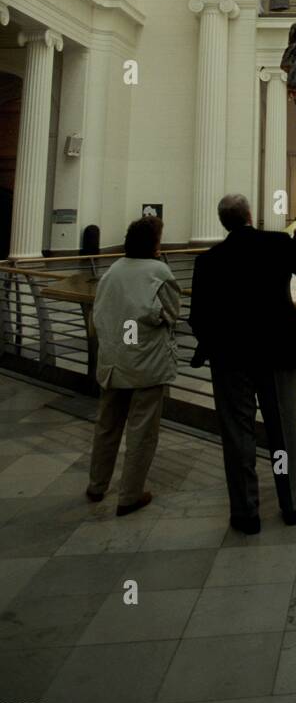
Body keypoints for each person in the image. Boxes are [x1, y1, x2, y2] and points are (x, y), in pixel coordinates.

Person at [188, 194, 296, 534]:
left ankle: (246, 512)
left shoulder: (208, 261)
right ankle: (290, 503)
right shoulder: (277, 243)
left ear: (224, 222)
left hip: (230, 358)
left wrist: (216, 343)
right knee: (282, 432)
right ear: (250, 215)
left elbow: (198, 318)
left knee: (238, 435)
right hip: (276, 352)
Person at [87, 216, 181, 517]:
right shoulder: (158, 271)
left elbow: (99, 312)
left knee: (107, 425)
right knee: (142, 429)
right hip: (145, 363)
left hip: (114, 361)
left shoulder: (112, 271)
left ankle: (97, 484)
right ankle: (129, 494)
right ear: (154, 242)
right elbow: (170, 313)